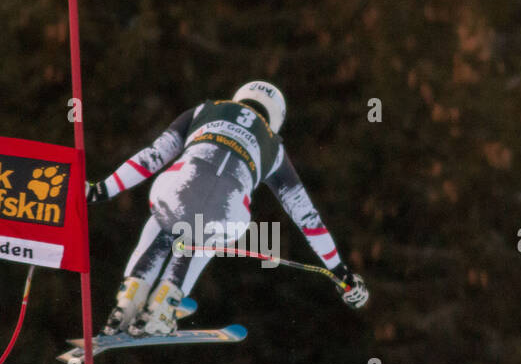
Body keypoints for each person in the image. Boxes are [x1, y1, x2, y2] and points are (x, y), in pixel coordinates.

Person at [86, 80, 368, 337]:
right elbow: (307, 217)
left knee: (164, 220)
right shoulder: (275, 148)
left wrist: (102, 190)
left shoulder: (203, 111)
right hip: (228, 209)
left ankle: (130, 296)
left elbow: (152, 156)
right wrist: (339, 271)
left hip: (177, 185)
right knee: (203, 235)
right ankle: (163, 303)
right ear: (276, 118)